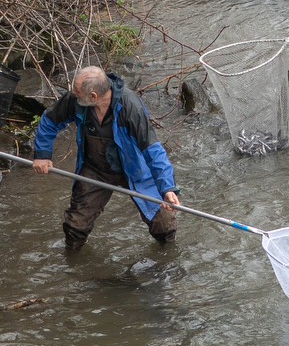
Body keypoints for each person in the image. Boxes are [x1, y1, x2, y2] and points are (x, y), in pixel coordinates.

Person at [31, 67, 180, 250]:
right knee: (75, 227)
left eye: (77, 91)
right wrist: (42, 155)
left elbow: (152, 150)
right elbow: (49, 121)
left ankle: (167, 261)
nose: (72, 93)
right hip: (95, 170)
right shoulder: (76, 100)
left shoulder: (130, 106)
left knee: (164, 226)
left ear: (93, 96)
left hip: (135, 170)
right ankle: (75, 264)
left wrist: (167, 188)